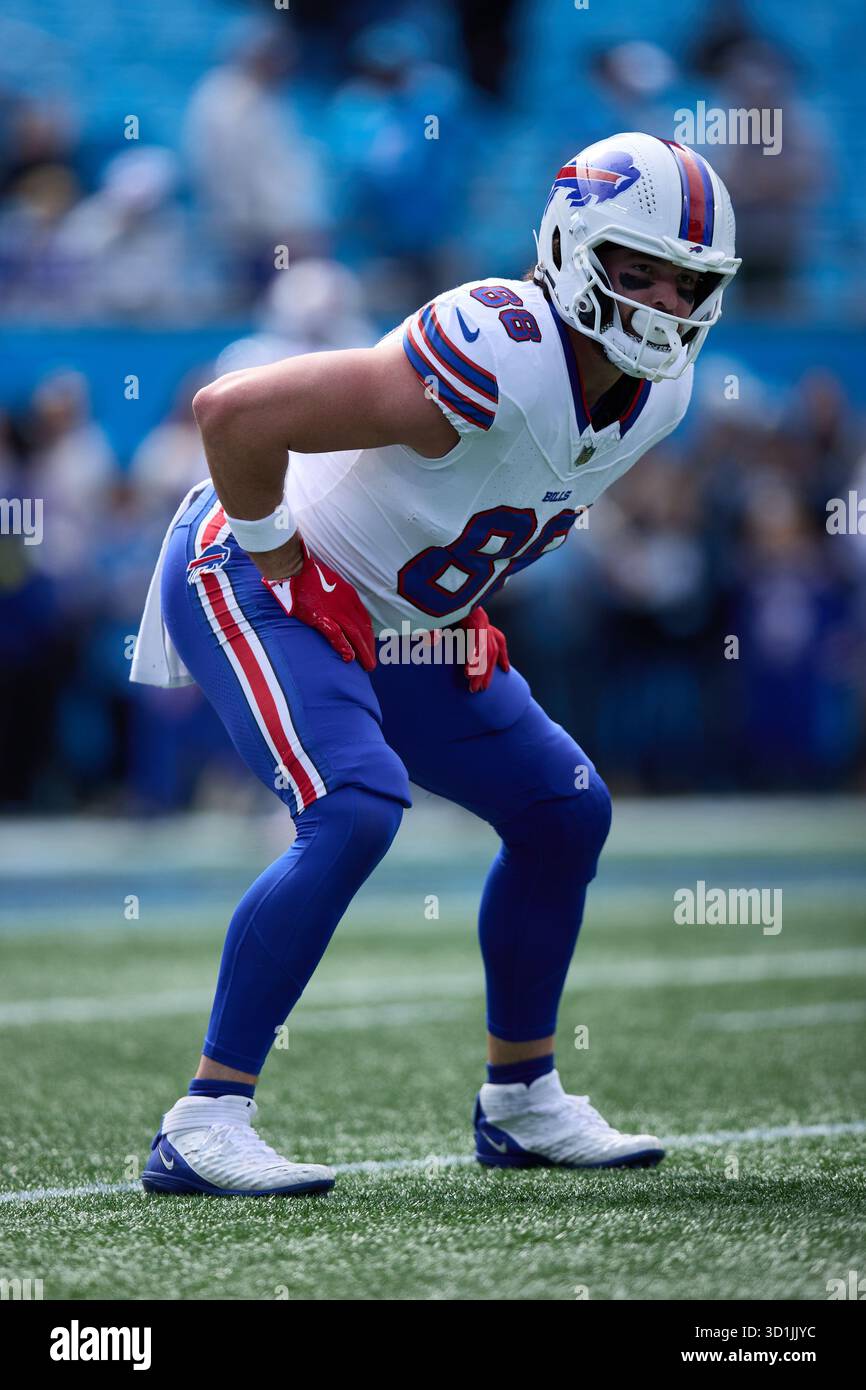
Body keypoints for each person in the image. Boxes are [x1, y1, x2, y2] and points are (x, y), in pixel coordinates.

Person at [131, 132, 740, 1196]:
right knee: (356, 806)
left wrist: (459, 604)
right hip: (258, 568)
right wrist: (285, 564)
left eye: (684, 279)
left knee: (562, 809)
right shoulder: (493, 341)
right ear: (568, 248)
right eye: (634, 267)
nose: (660, 298)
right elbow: (232, 416)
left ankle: (521, 1099)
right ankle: (205, 1114)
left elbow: (492, 499)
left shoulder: (663, 395)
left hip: (401, 614)